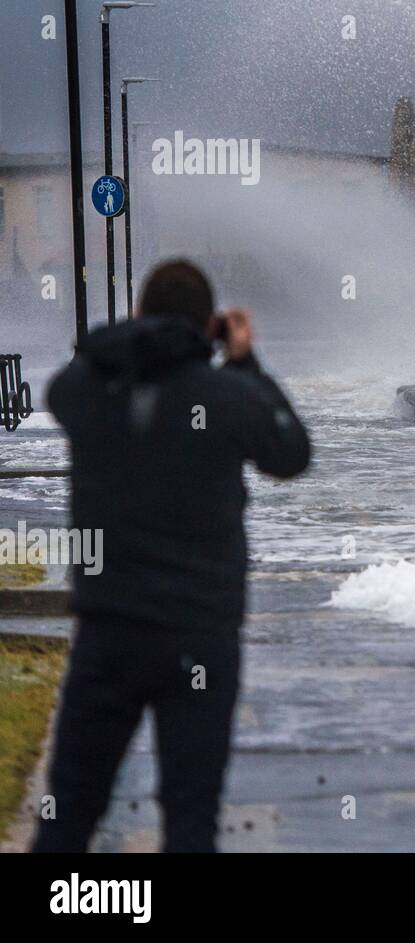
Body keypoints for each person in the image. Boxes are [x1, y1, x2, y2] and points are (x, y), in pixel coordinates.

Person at [32, 259, 310, 853]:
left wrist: (136, 337)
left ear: (139, 316)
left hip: (109, 634)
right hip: (199, 635)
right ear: (206, 325)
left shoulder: (90, 390)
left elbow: (66, 382)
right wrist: (242, 360)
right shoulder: (227, 394)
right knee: (191, 817)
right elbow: (290, 451)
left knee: (70, 813)